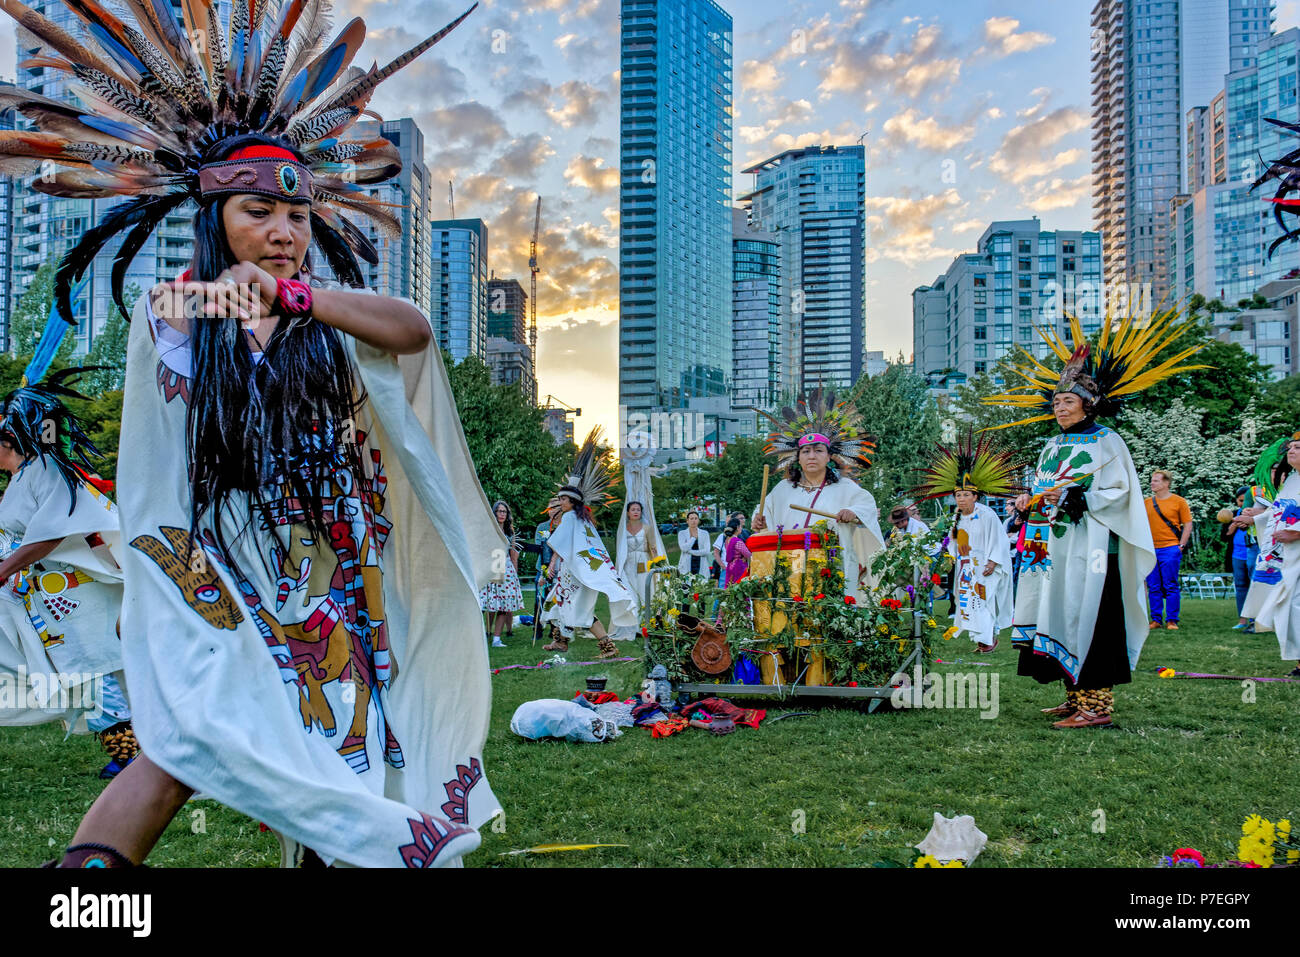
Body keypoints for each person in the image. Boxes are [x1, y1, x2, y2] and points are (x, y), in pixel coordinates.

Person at [9, 2, 503, 868]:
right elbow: (199, 321)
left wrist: (299, 298)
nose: (282, 232)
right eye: (255, 214)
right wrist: (255, 300)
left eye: (298, 218)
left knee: (346, 747)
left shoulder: (324, 314)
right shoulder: (177, 308)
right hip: (226, 565)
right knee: (187, 738)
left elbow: (414, 328)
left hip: (329, 567)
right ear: (213, 220)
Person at [990, 313, 1199, 728]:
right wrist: (1028, 500)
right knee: (1059, 614)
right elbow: (1045, 485)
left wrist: (1073, 495)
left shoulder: (1107, 441)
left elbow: (1121, 494)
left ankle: (1096, 707)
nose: (1059, 407)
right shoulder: (1052, 444)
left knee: (1091, 616)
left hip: (1093, 550)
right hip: (1051, 547)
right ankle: (1074, 696)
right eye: (1055, 402)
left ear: (1089, 404)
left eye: (1067, 401)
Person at [0, 373, 138, 779]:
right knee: (86, 667)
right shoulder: (20, 478)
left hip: (77, 591)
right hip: (49, 595)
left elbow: (54, 530)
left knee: (93, 665)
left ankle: (130, 756)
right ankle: (131, 752)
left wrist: (5, 569)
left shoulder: (46, 468)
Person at [751, 389, 884, 601]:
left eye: (818, 450)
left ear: (829, 456)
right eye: (806, 451)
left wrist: (852, 512)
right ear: (798, 458)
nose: (812, 456)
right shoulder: (783, 489)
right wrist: (759, 521)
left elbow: (866, 506)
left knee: (830, 617)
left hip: (832, 567)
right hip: (790, 566)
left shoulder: (846, 487)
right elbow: (763, 514)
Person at [915, 431, 1022, 653]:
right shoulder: (956, 517)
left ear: (975, 496)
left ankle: (988, 640)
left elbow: (999, 540)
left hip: (985, 565)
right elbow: (953, 543)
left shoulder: (988, 514)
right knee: (968, 604)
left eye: (966, 495)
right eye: (958, 495)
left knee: (984, 600)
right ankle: (981, 639)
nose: (961, 499)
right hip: (966, 567)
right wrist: (953, 557)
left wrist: (993, 562)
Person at [539, 429, 639, 658]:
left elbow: (559, 545)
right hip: (579, 571)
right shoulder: (582, 521)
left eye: (564, 499)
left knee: (579, 611)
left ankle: (608, 646)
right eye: (560, 498)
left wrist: (552, 564)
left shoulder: (570, 518)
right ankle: (561, 642)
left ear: (572, 501)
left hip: (576, 573)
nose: (560, 501)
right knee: (560, 604)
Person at [1243, 440, 1300, 676]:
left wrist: (1297, 532)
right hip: (1288, 559)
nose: (1292, 451)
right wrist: (1255, 517)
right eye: (1291, 448)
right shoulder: (1293, 480)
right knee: (1290, 608)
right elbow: (1280, 511)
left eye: (1298, 447)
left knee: (1295, 607)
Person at [1144, 470, 1193, 630]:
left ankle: (1172, 619)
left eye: (1156, 481)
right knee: (1154, 585)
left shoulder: (1179, 502)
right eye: (1152, 480)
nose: (1152, 483)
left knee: (1170, 584)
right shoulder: (1146, 503)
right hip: (1151, 549)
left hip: (1170, 548)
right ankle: (1156, 619)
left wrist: (1181, 546)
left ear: (1166, 483)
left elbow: (1188, 524)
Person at [479, 501, 524, 647]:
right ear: (494, 513)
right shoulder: (489, 530)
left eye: (504, 511)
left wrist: (514, 574)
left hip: (507, 569)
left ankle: (496, 639)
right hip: (492, 567)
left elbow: (512, 554)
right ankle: (485, 633)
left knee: (505, 606)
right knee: (490, 605)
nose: (502, 514)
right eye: (499, 511)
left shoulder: (510, 532)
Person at [1221, 486, 1260, 630]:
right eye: (1240, 500)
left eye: (1246, 501)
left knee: (1255, 586)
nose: (1243, 504)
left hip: (1254, 552)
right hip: (1237, 556)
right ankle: (1242, 619)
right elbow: (1224, 537)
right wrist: (1232, 528)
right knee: (1241, 586)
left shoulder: (1256, 515)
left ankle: (1255, 619)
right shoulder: (1232, 515)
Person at [677, 511, 712, 577]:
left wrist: (690, 551)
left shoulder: (705, 533)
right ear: (687, 520)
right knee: (686, 585)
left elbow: (706, 551)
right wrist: (693, 538)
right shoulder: (682, 533)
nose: (694, 521)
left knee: (701, 585)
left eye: (696, 518)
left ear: (698, 520)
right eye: (691, 518)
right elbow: (684, 548)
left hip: (701, 565)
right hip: (686, 566)